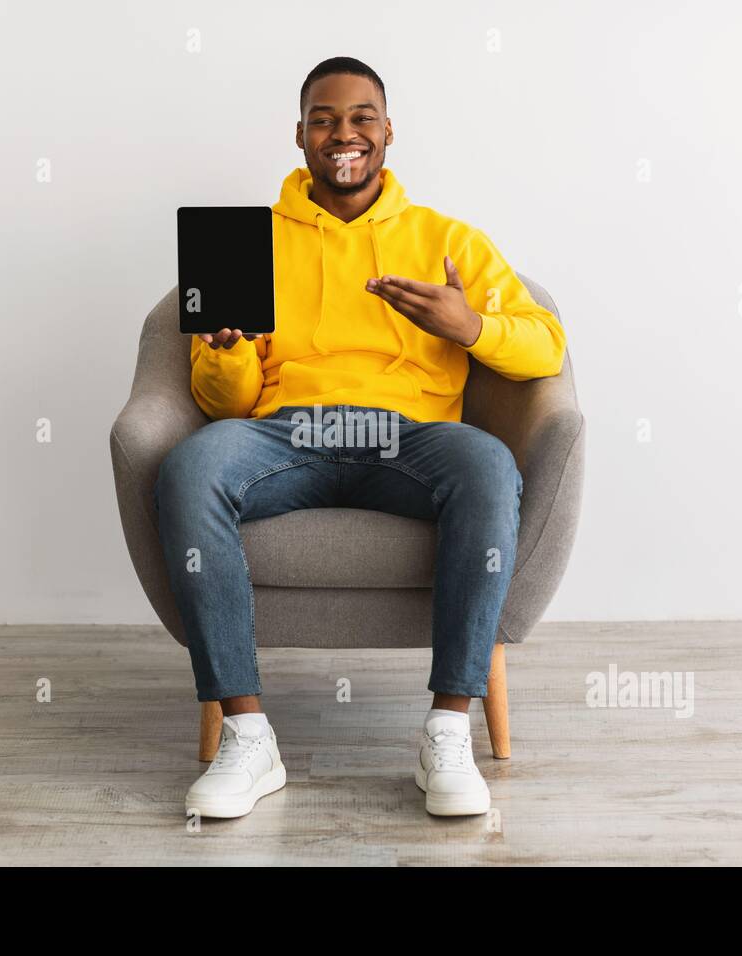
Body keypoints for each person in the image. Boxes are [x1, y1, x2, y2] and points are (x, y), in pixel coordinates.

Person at [154, 56, 566, 819]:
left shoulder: (448, 239)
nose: (343, 133)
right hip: (287, 434)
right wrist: (227, 350)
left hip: (408, 439)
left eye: (360, 117)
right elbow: (225, 403)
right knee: (187, 467)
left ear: (387, 132)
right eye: (324, 118)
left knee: (488, 463)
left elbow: (546, 347)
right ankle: (248, 736)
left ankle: (447, 730)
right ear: (300, 135)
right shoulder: (252, 242)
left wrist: (466, 325)